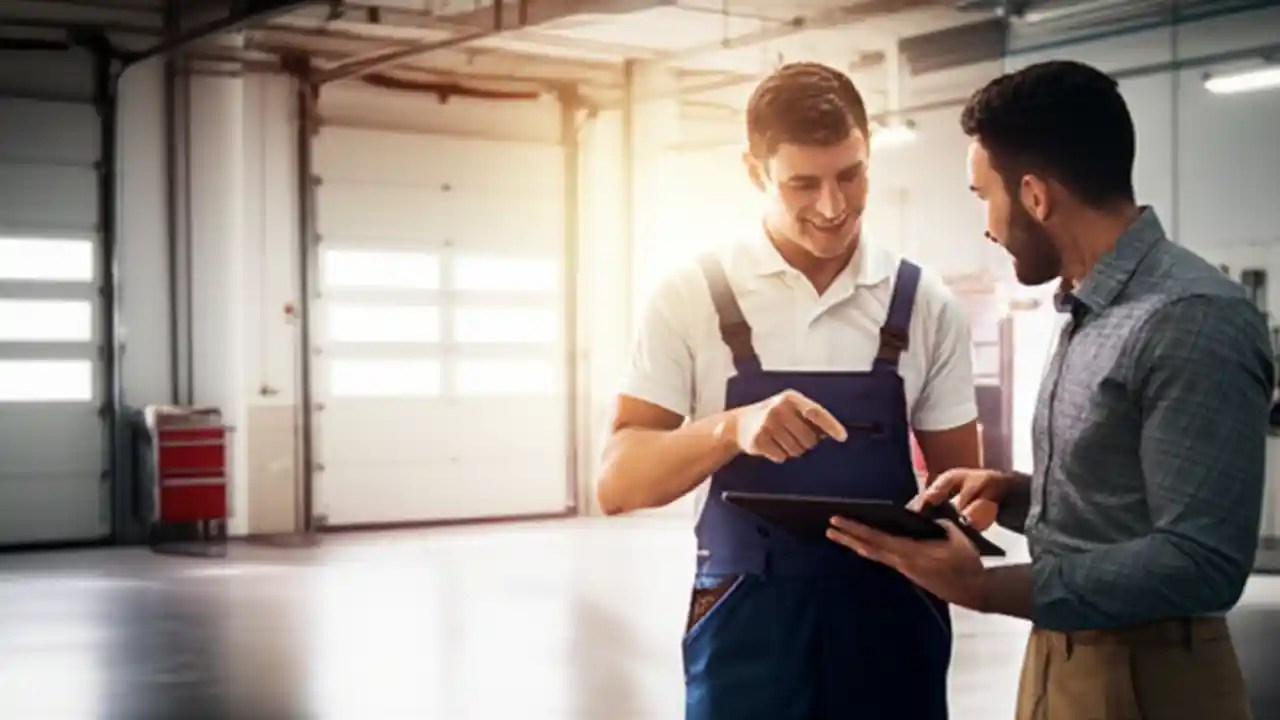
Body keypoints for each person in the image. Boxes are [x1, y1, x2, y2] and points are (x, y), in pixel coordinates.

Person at [826, 60, 1273, 719]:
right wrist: (1015, 494)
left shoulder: (1191, 318)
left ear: (1035, 196)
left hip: (1150, 683)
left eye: (985, 196)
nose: (986, 223)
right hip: (1061, 663)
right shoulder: (1090, 310)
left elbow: (1201, 561)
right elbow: (1126, 505)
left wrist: (982, 586)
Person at [596, 62, 982, 719]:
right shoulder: (689, 296)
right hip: (746, 628)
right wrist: (730, 428)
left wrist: (963, 543)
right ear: (755, 172)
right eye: (803, 183)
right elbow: (617, 484)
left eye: (851, 175)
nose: (833, 207)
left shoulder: (925, 304)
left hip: (894, 624)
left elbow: (964, 493)